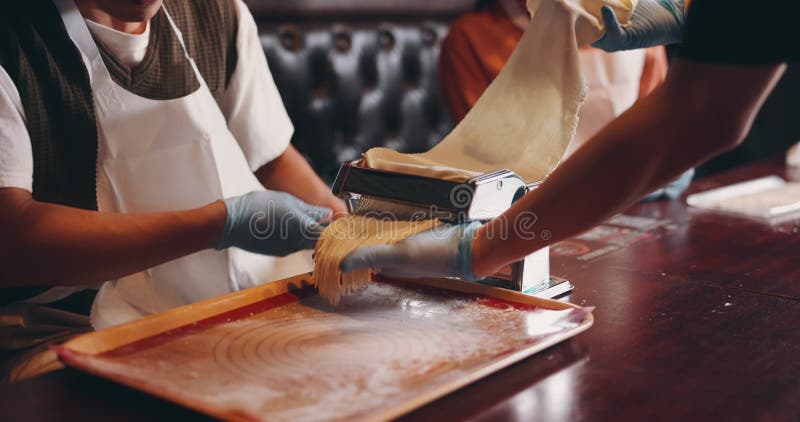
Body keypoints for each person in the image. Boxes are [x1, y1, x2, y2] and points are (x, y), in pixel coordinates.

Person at [0, 0, 346, 381]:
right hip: (65, 329)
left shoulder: (216, 13)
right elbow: (14, 239)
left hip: (221, 306)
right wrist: (221, 224)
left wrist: (342, 230)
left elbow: (268, 157)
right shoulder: (14, 35)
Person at [340, 0, 797, 282]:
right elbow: (705, 110)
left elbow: (701, 113)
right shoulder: (474, 37)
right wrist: (703, 16)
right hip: (559, 214)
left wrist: (481, 250)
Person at [439, 0, 692, 200]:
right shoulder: (472, 38)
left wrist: (667, 169)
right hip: (535, 218)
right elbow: (490, 168)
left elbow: (661, 135)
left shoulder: (637, 30)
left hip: (632, 209)